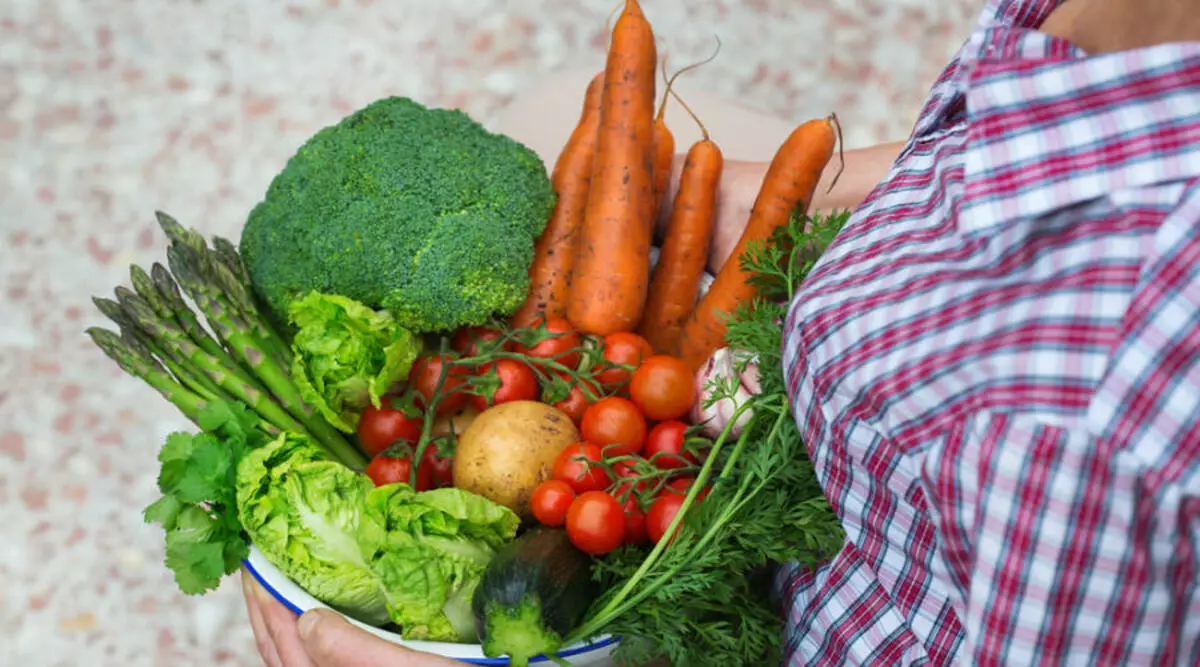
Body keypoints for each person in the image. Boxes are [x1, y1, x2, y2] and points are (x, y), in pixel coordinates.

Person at [241, 0, 1200, 663]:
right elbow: (1014, 135)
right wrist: (784, 192)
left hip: (783, 622)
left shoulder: (1106, 422)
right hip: (801, 430)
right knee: (558, 113)